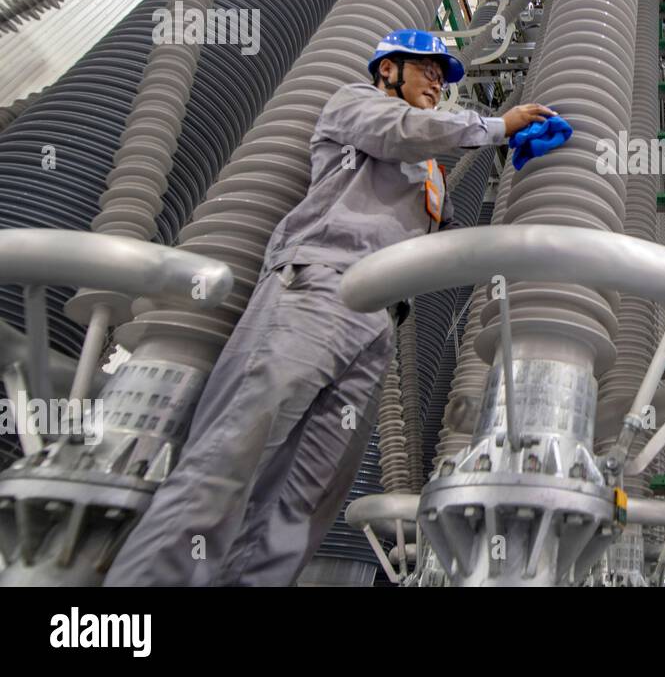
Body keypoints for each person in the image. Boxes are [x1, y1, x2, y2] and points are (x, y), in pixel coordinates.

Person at [106, 30, 555, 586]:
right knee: (230, 458)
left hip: (376, 324)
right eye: (428, 68)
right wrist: (495, 127)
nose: (438, 80)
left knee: (303, 499)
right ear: (388, 69)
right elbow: (404, 132)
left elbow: (431, 244)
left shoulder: (429, 169)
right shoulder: (357, 105)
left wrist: (513, 158)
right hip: (318, 289)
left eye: (444, 74)